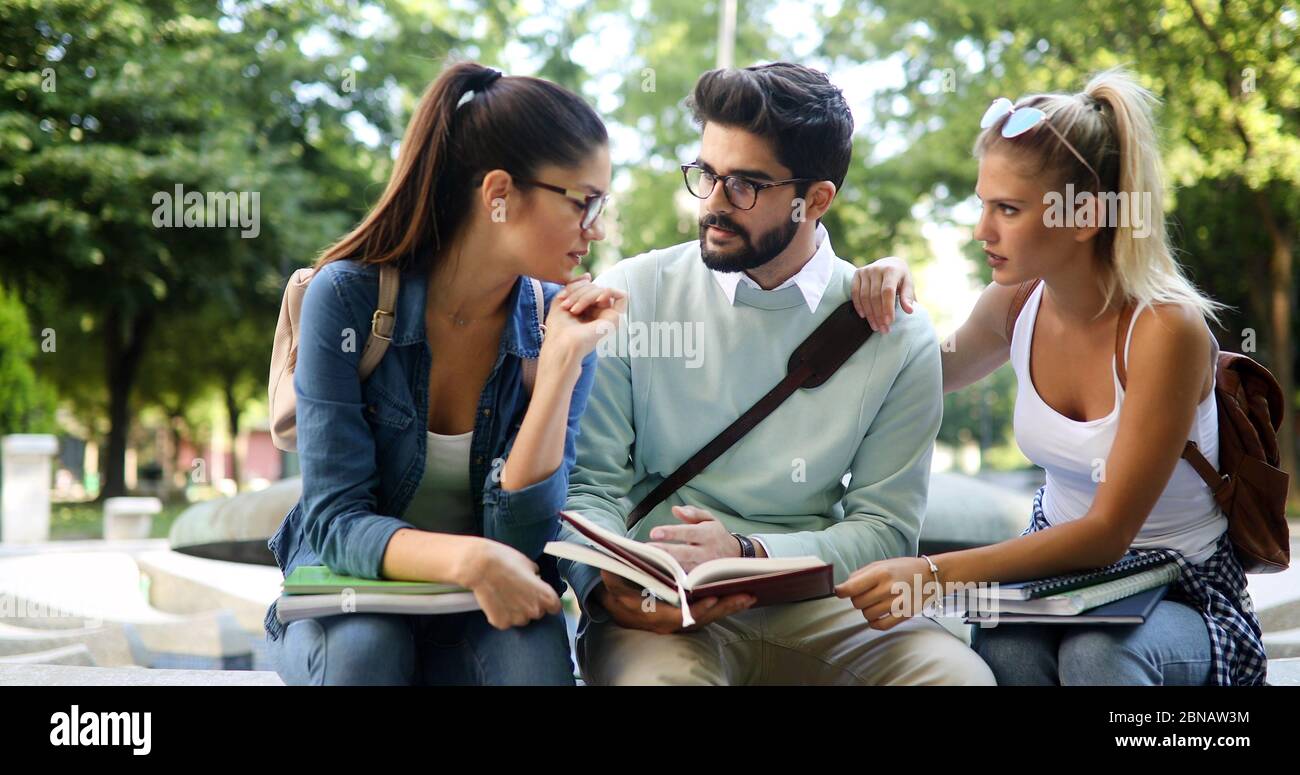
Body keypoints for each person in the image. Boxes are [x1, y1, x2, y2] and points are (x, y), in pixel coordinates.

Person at [554, 62, 996, 685]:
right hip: (667, 607)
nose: (712, 203)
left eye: (745, 186)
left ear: (814, 200)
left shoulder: (894, 333)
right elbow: (591, 489)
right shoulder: (634, 293)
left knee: (957, 680)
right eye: (706, 174)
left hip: (821, 606)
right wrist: (601, 587)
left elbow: (885, 531)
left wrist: (747, 554)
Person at [843, 69, 1266, 685]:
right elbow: (911, 378)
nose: (981, 231)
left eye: (1007, 210)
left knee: (1098, 654)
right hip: (1058, 580)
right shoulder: (1013, 303)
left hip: (1179, 586)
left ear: (1085, 216)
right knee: (1009, 650)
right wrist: (886, 278)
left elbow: (1106, 535)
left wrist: (931, 575)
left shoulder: (1165, 331)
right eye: (982, 204)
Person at [265, 61, 625, 685]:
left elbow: (526, 543)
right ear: (499, 194)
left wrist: (562, 368)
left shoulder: (561, 326)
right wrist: (468, 560)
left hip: (481, 604)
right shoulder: (346, 298)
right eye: (584, 201)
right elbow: (336, 520)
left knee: (532, 665)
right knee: (366, 653)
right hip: (358, 589)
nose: (596, 229)